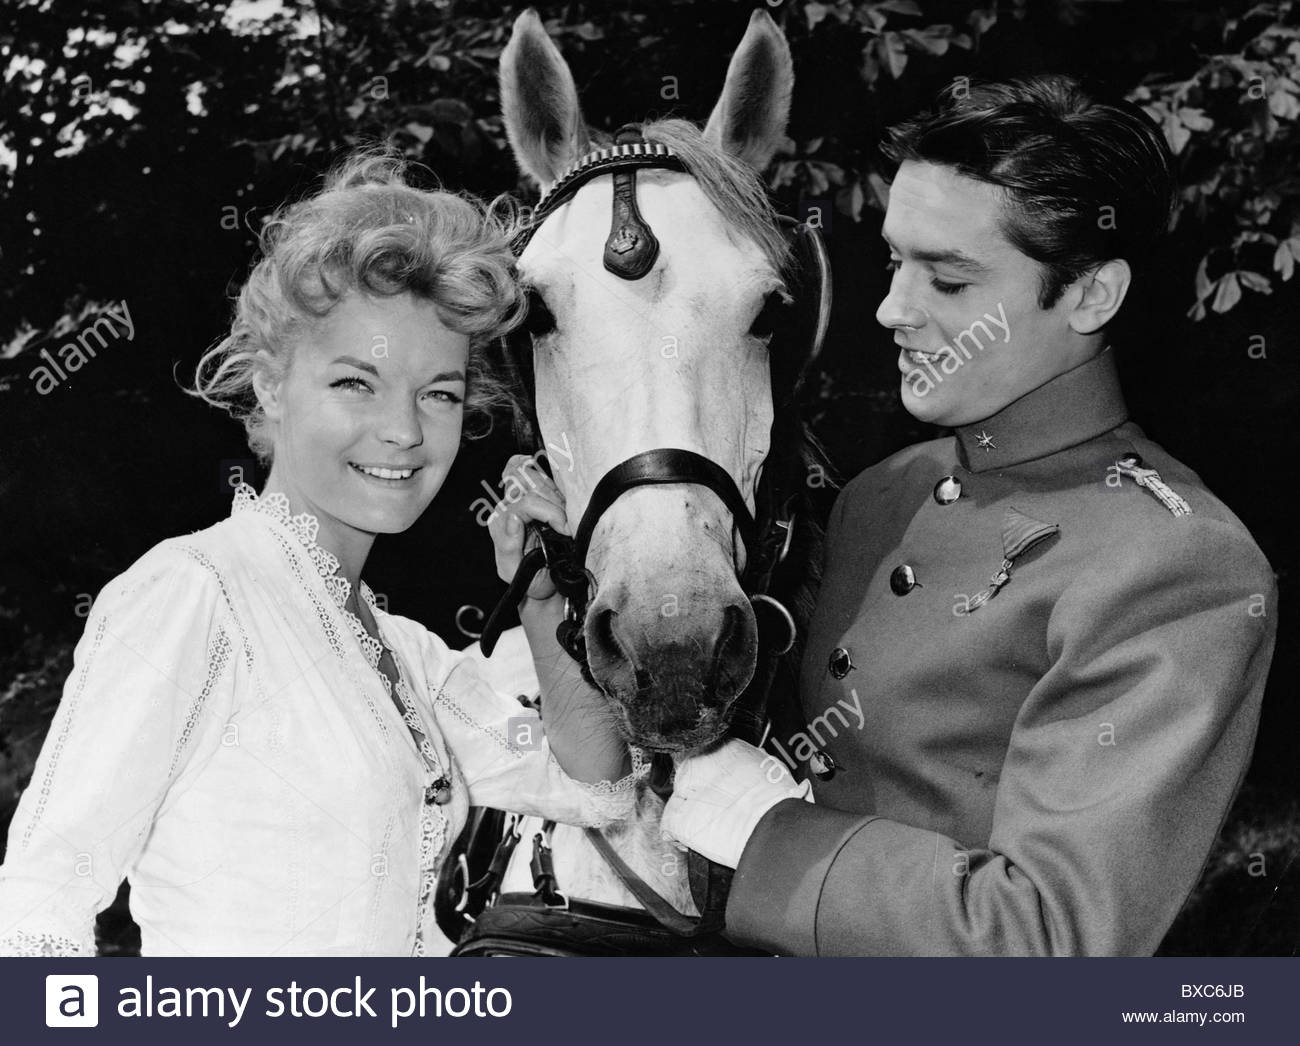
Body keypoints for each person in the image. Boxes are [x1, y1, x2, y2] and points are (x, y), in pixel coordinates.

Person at [661, 74, 1278, 956]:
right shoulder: (884, 495)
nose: (891, 311)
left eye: (948, 281)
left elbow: (1049, 942)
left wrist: (768, 836)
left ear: (1090, 296)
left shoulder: (1177, 564)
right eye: (893, 263)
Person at [0, 151, 635, 957]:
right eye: (355, 383)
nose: (405, 430)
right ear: (270, 385)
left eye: (437, 392)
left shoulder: (404, 657)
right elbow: (37, 899)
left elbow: (593, 785)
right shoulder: (194, 594)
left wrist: (545, 605)